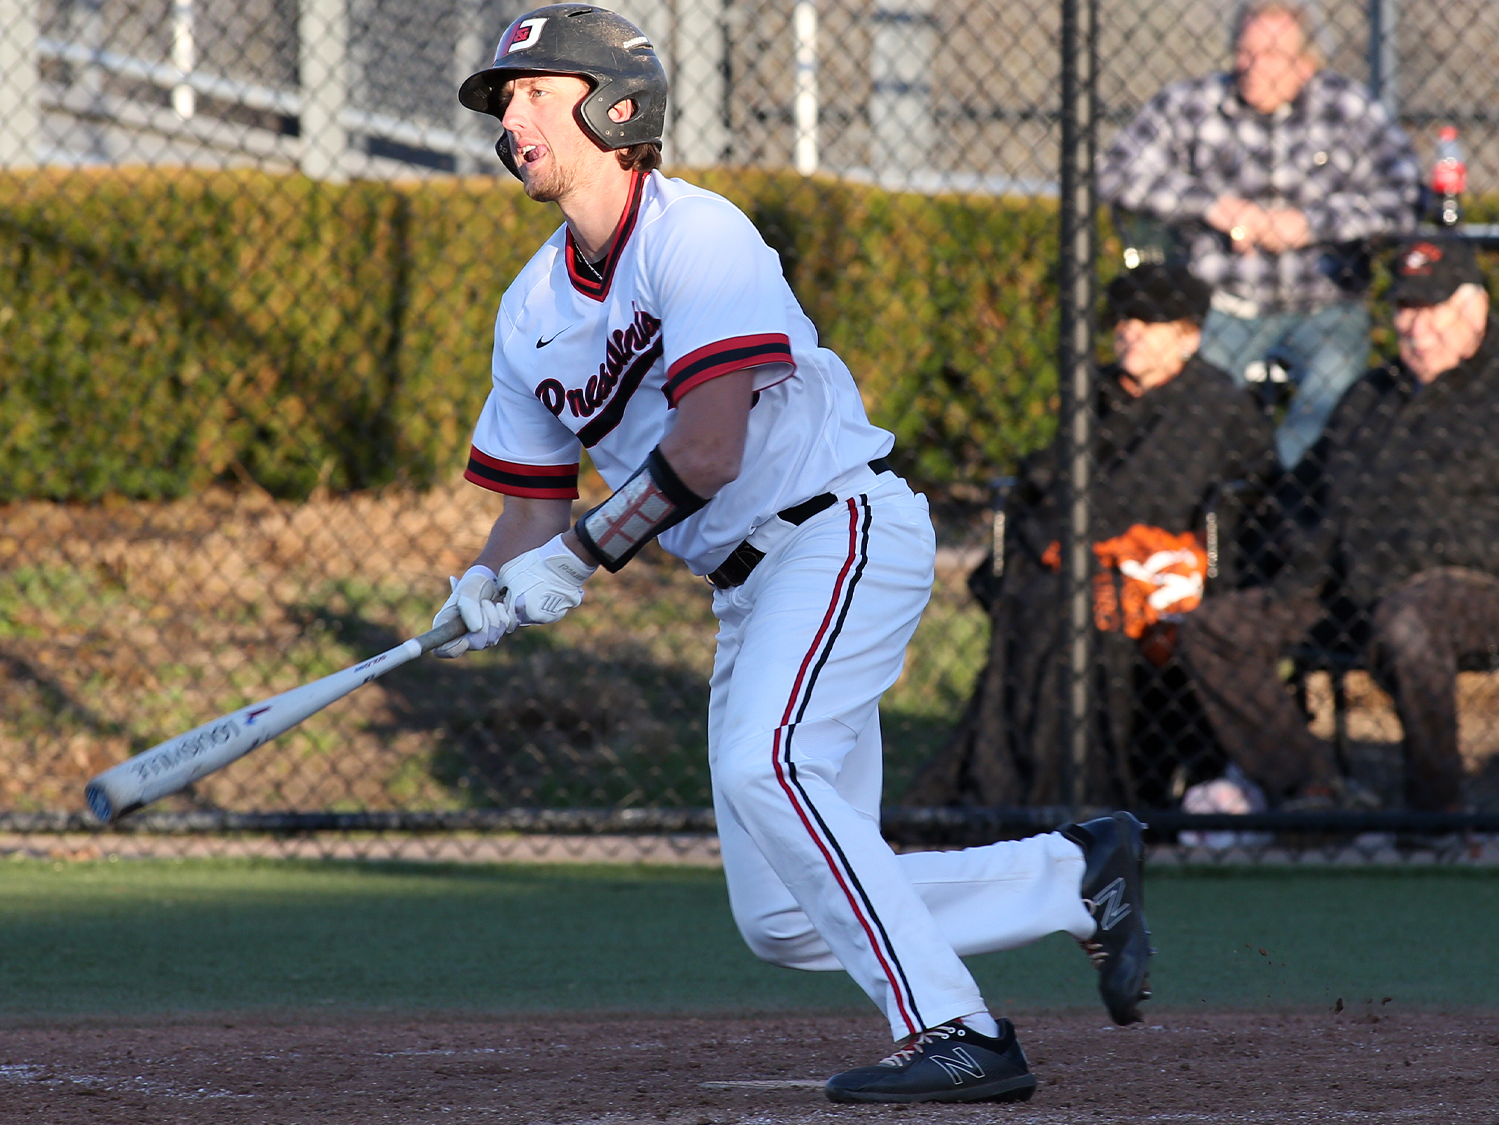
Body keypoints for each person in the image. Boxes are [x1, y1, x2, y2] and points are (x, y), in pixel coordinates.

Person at [435, 5, 1149, 1104]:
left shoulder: (697, 234)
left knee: (766, 765)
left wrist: (578, 555)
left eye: (534, 89)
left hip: (836, 535)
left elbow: (709, 449)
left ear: (614, 108)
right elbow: (529, 505)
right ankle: (1069, 876)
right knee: (781, 915)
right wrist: (482, 588)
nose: (511, 111)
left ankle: (958, 1029)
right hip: (750, 591)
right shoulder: (529, 310)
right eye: (505, 98)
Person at [1178, 238, 1499, 812]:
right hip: (1347, 582)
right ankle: (1314, 787)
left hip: (1480, 591)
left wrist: (1435, 548)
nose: (1417, 329)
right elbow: (1301, 496)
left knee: (1409, 621)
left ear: (1474, 311)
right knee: (1214, 631)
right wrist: (1303, 548)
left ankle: (1435, 814)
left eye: (1432, 310)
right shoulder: (1369, 397)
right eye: (1405, 310)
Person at [910, 264, 1276, 809]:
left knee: (1074, 602)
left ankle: (1083, 788)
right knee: (1031, 598)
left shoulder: (1212, 402)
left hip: (1157, 561)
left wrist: (1073, 532)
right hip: (1074, 552)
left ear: (1188, 337)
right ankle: (1013, 786)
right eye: (1124, 320)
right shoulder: (1099, 391)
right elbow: (1047, 474)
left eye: (1150, 323)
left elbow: (1162, 498)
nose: (1130, 332)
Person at [1097, 0, 1420, 469]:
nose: (1253, 66)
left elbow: (1406, 196)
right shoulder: (1193, 105)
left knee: (1331, 391)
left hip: (1323, 301)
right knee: (1190, 398)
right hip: (1222, 299)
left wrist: (1309, 225)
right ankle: (1194, 504)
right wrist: (1213, 206)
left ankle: (1275, 497)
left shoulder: (1348, 110)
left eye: (1272, 54)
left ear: (1307, 63)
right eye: (1245, 53)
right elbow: (1114, 173)